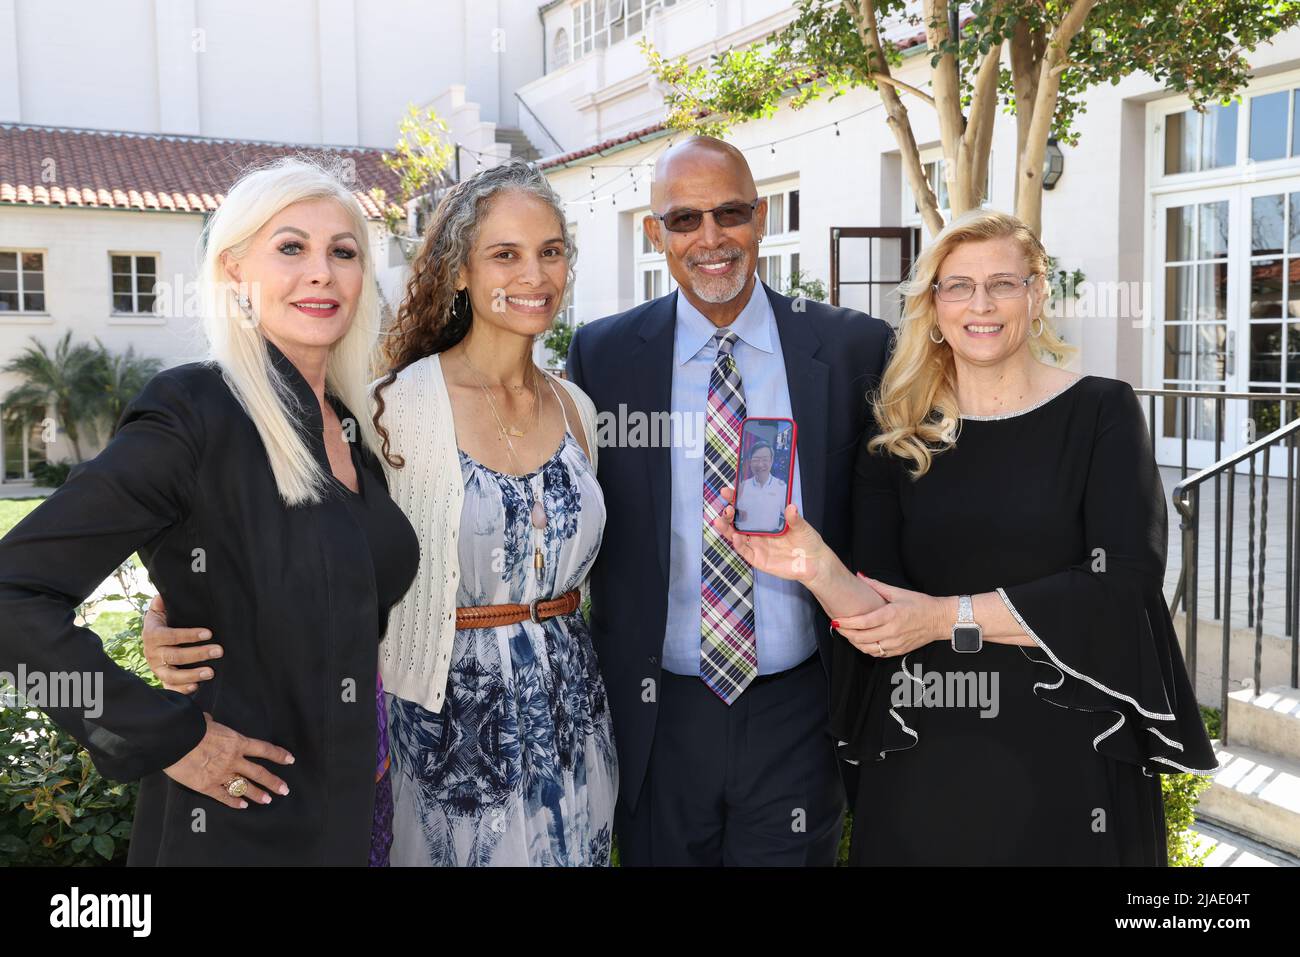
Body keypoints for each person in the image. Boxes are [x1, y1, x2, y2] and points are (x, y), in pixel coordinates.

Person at [145, 160, 617, 865]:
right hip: (443, 730)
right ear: (459, 271)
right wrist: (174, 611)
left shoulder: (577, 407)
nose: (535, 274)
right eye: (505, 254)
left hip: (575, 716)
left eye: (551, 252)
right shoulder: (388, 406)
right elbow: (285, 537)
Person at [712, 208, 1217, 865]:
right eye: (958, 286)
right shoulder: (897, 436)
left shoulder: (1102, 411)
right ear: (935, 305)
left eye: (1003, 283)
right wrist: (811, 562)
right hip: (927, 751)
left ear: (1036, 295)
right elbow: (880, 615)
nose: (981, 303)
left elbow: (1124, 584)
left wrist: (946, 617)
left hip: (1070, 753)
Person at [0, 157, 418, 865]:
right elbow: (13, 594)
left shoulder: (351, 425)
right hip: (244, 829)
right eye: (290, 247)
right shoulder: (194, 411)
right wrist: (168, 737)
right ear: (233, 271)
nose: (321, 271)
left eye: (342, 252)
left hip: (360, 806)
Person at [567, 135, 893, 865]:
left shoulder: (852, 348)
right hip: (658, 709)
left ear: (763, 217)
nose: (710, 238)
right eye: (684, 220)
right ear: (656, 234)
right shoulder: (604, 356)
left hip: (798, 708)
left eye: (731, 213)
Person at [735, 441, 788, 532]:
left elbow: (788, 516)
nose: (760, 464)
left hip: (772, 539)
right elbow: (738, 516)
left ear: (771, 461)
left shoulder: (781, 486)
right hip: (746, 537)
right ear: (750, 462)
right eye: (755, 460)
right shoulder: (742, 486)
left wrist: (778, 531)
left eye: (765, 459)